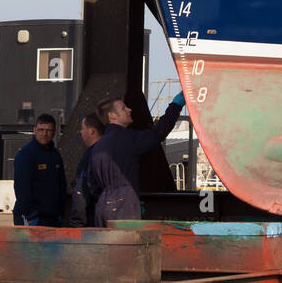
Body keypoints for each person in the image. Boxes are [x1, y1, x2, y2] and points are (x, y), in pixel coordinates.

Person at [88, 90, 184, 224]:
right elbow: (157, 134)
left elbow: (91, 184)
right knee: (125, 244)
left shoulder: (97, 146)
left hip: (102, 206)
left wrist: (110, 197)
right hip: (123, 206)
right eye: (123, 108)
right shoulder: (126, 139)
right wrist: (176, 105)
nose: (129, 110)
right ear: (112, 116)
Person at [12, 114, 67, 227]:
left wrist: (60, 213)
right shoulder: (25, 154)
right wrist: (31, 216)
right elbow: (21, 188)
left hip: (53, 218)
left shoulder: (55, 155)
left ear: (54, 132)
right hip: (33, 219)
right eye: (41, 130)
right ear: (34, 130)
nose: (44, 134)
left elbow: (62, 185)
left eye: (48, 130)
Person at [69, 113, 105, 227]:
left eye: (82, 128)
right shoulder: (108, 152)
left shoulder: (91, 155)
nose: (81, 132)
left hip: (91, 222)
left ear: (92, 131)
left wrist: (77, 223)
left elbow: (82, 191)